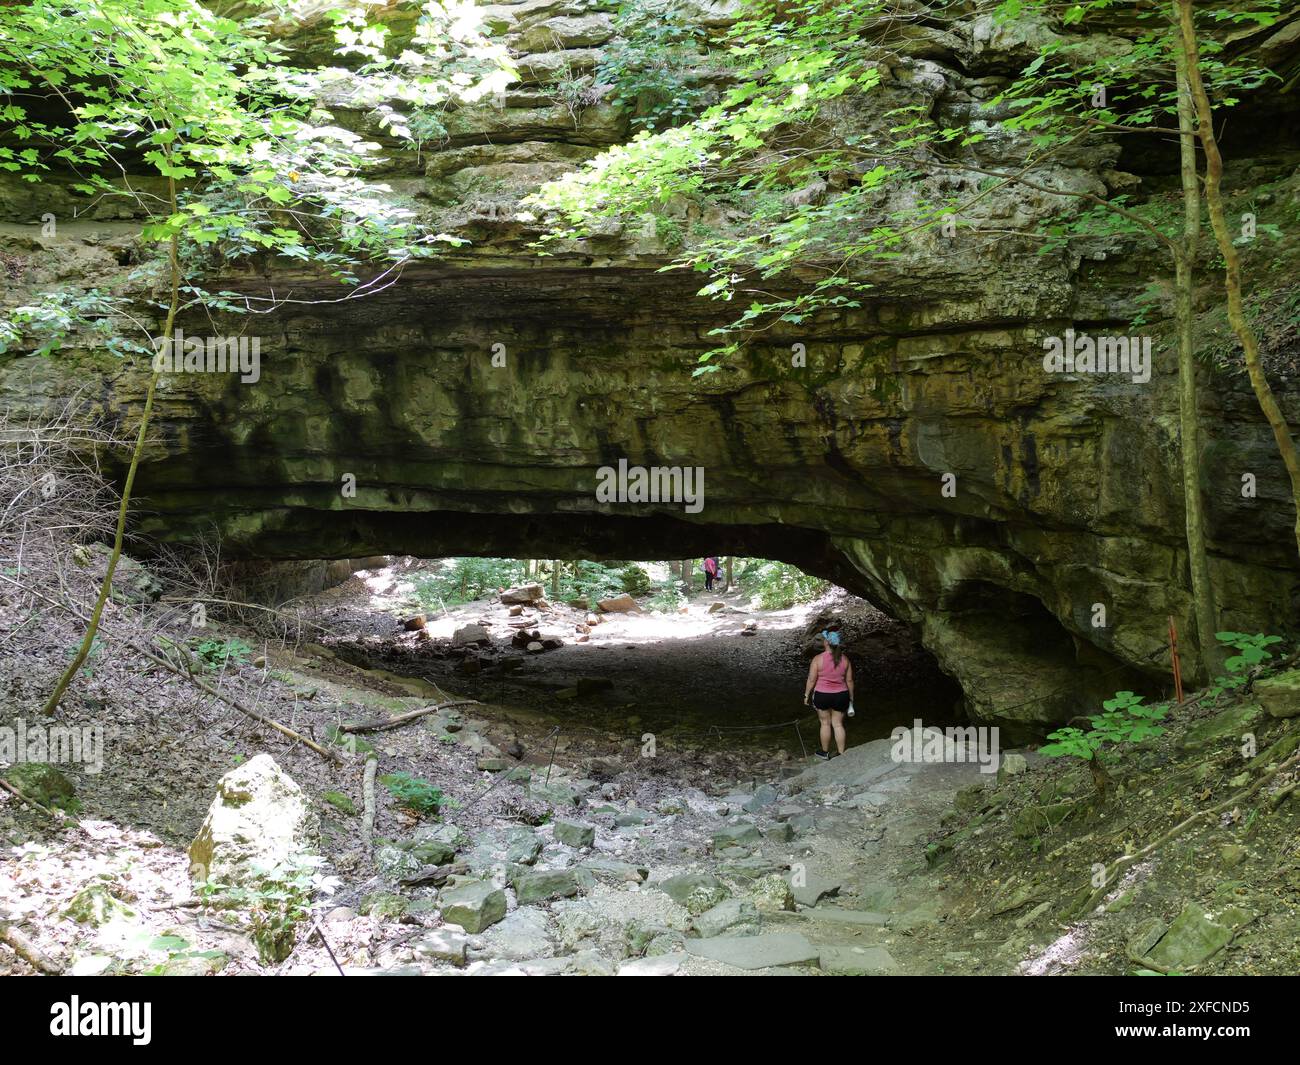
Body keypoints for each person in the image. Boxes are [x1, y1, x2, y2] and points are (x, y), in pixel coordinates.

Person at [804, 628, 854, 759]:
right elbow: (849, 680)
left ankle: (824, 752)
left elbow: (811, 679)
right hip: (841, 695)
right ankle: (841, 753)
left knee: (825, 723)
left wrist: (806, 695)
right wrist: (851, 697)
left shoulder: (817, 659)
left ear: (826, 642)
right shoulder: (845, 659)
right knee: (838, 724)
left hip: (822, 695)